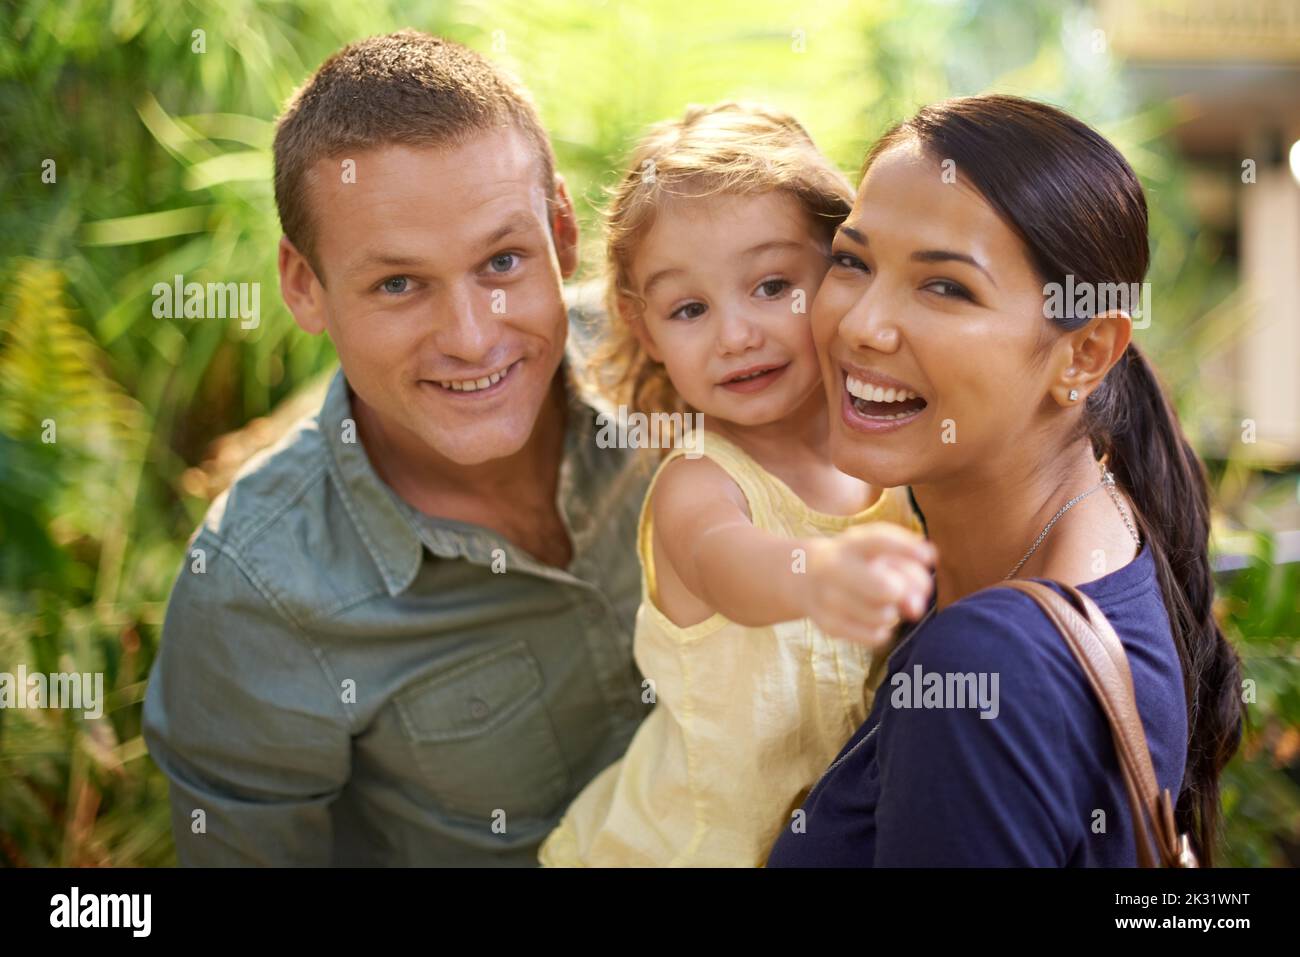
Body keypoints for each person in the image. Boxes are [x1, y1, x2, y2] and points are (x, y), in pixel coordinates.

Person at [143, 30, 654, 866]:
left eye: (502, 260)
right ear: (304, 285)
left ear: (561, 232)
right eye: (398, 284)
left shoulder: (678, 367)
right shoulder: (254, 601)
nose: (471, 335)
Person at [766, 95, 1244, 867]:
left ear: (1086, 353)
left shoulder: (981, 671)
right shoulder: (1116, 534)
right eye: (852, 261)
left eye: (946, 287)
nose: (861, 325)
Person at [539, 103, 933, 867]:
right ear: (645, 327)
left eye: (772, 284)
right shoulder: (701, 484)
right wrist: (816, 573)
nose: (735, 334)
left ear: (844, 268)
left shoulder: (890, 459)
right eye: (689, 308)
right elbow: (732, 564)